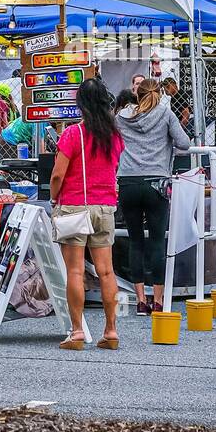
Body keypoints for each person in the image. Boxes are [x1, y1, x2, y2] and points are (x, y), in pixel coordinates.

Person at [50, 78, 124, 352]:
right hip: (104, 206)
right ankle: (111, 329)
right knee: (106, 271)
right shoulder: (114, 136)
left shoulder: (73, 134)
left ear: (80, 104)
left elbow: (58, 174)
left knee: (75, 270)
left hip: (74, 205)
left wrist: (54, 197)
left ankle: (78, 330)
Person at [116, 78, 190, 314]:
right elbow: (184, 143)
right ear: (159, 94)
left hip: (128, 181)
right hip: (156, 182)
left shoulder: (122, 117)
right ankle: (157, 300)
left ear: (138, 95)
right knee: (157, 241)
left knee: (135, 240)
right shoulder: (165, 114)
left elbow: (112, 140)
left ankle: (139, 300)